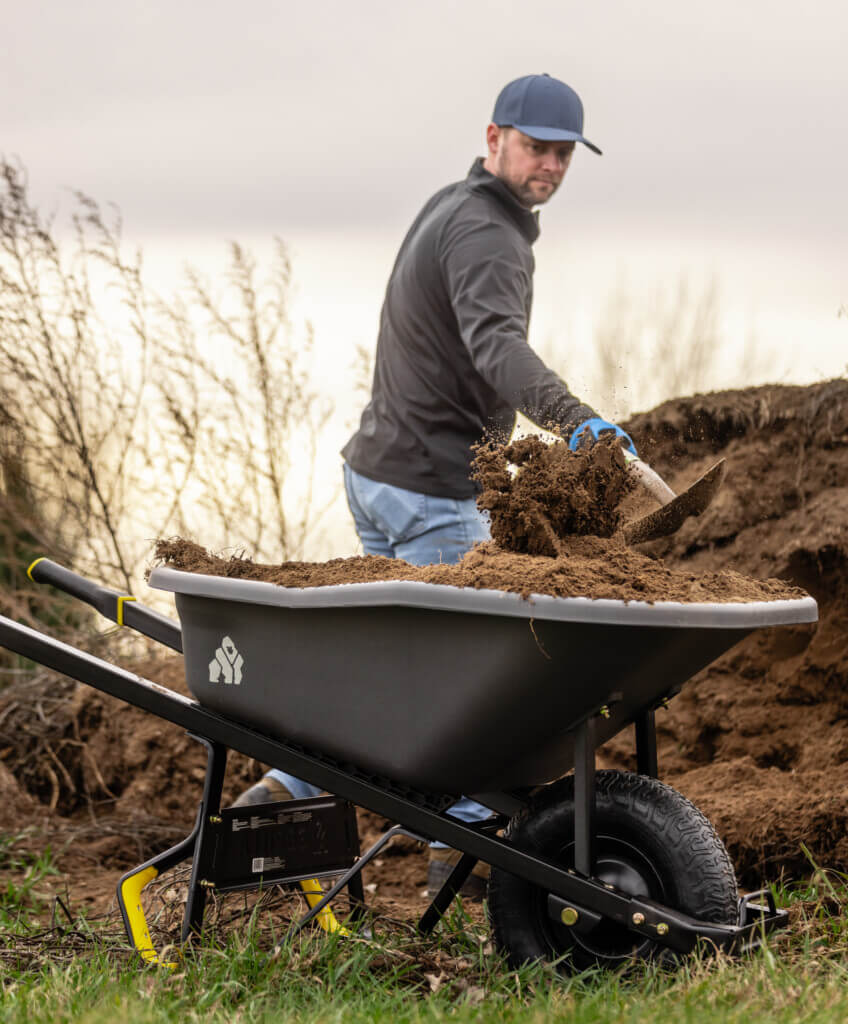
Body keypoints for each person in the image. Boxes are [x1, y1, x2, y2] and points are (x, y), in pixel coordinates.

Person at [234, 73, 635, 896]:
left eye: (563, 154)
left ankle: (288, 794)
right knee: (484, 702)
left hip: (380, 475)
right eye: (535, 148)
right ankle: (466, 871)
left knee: (411, 679)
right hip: (432, 494)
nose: (550, 166)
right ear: (495, 139)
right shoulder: (489, 235)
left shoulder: (455, 208)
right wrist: (576, 420)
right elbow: (497, 348)